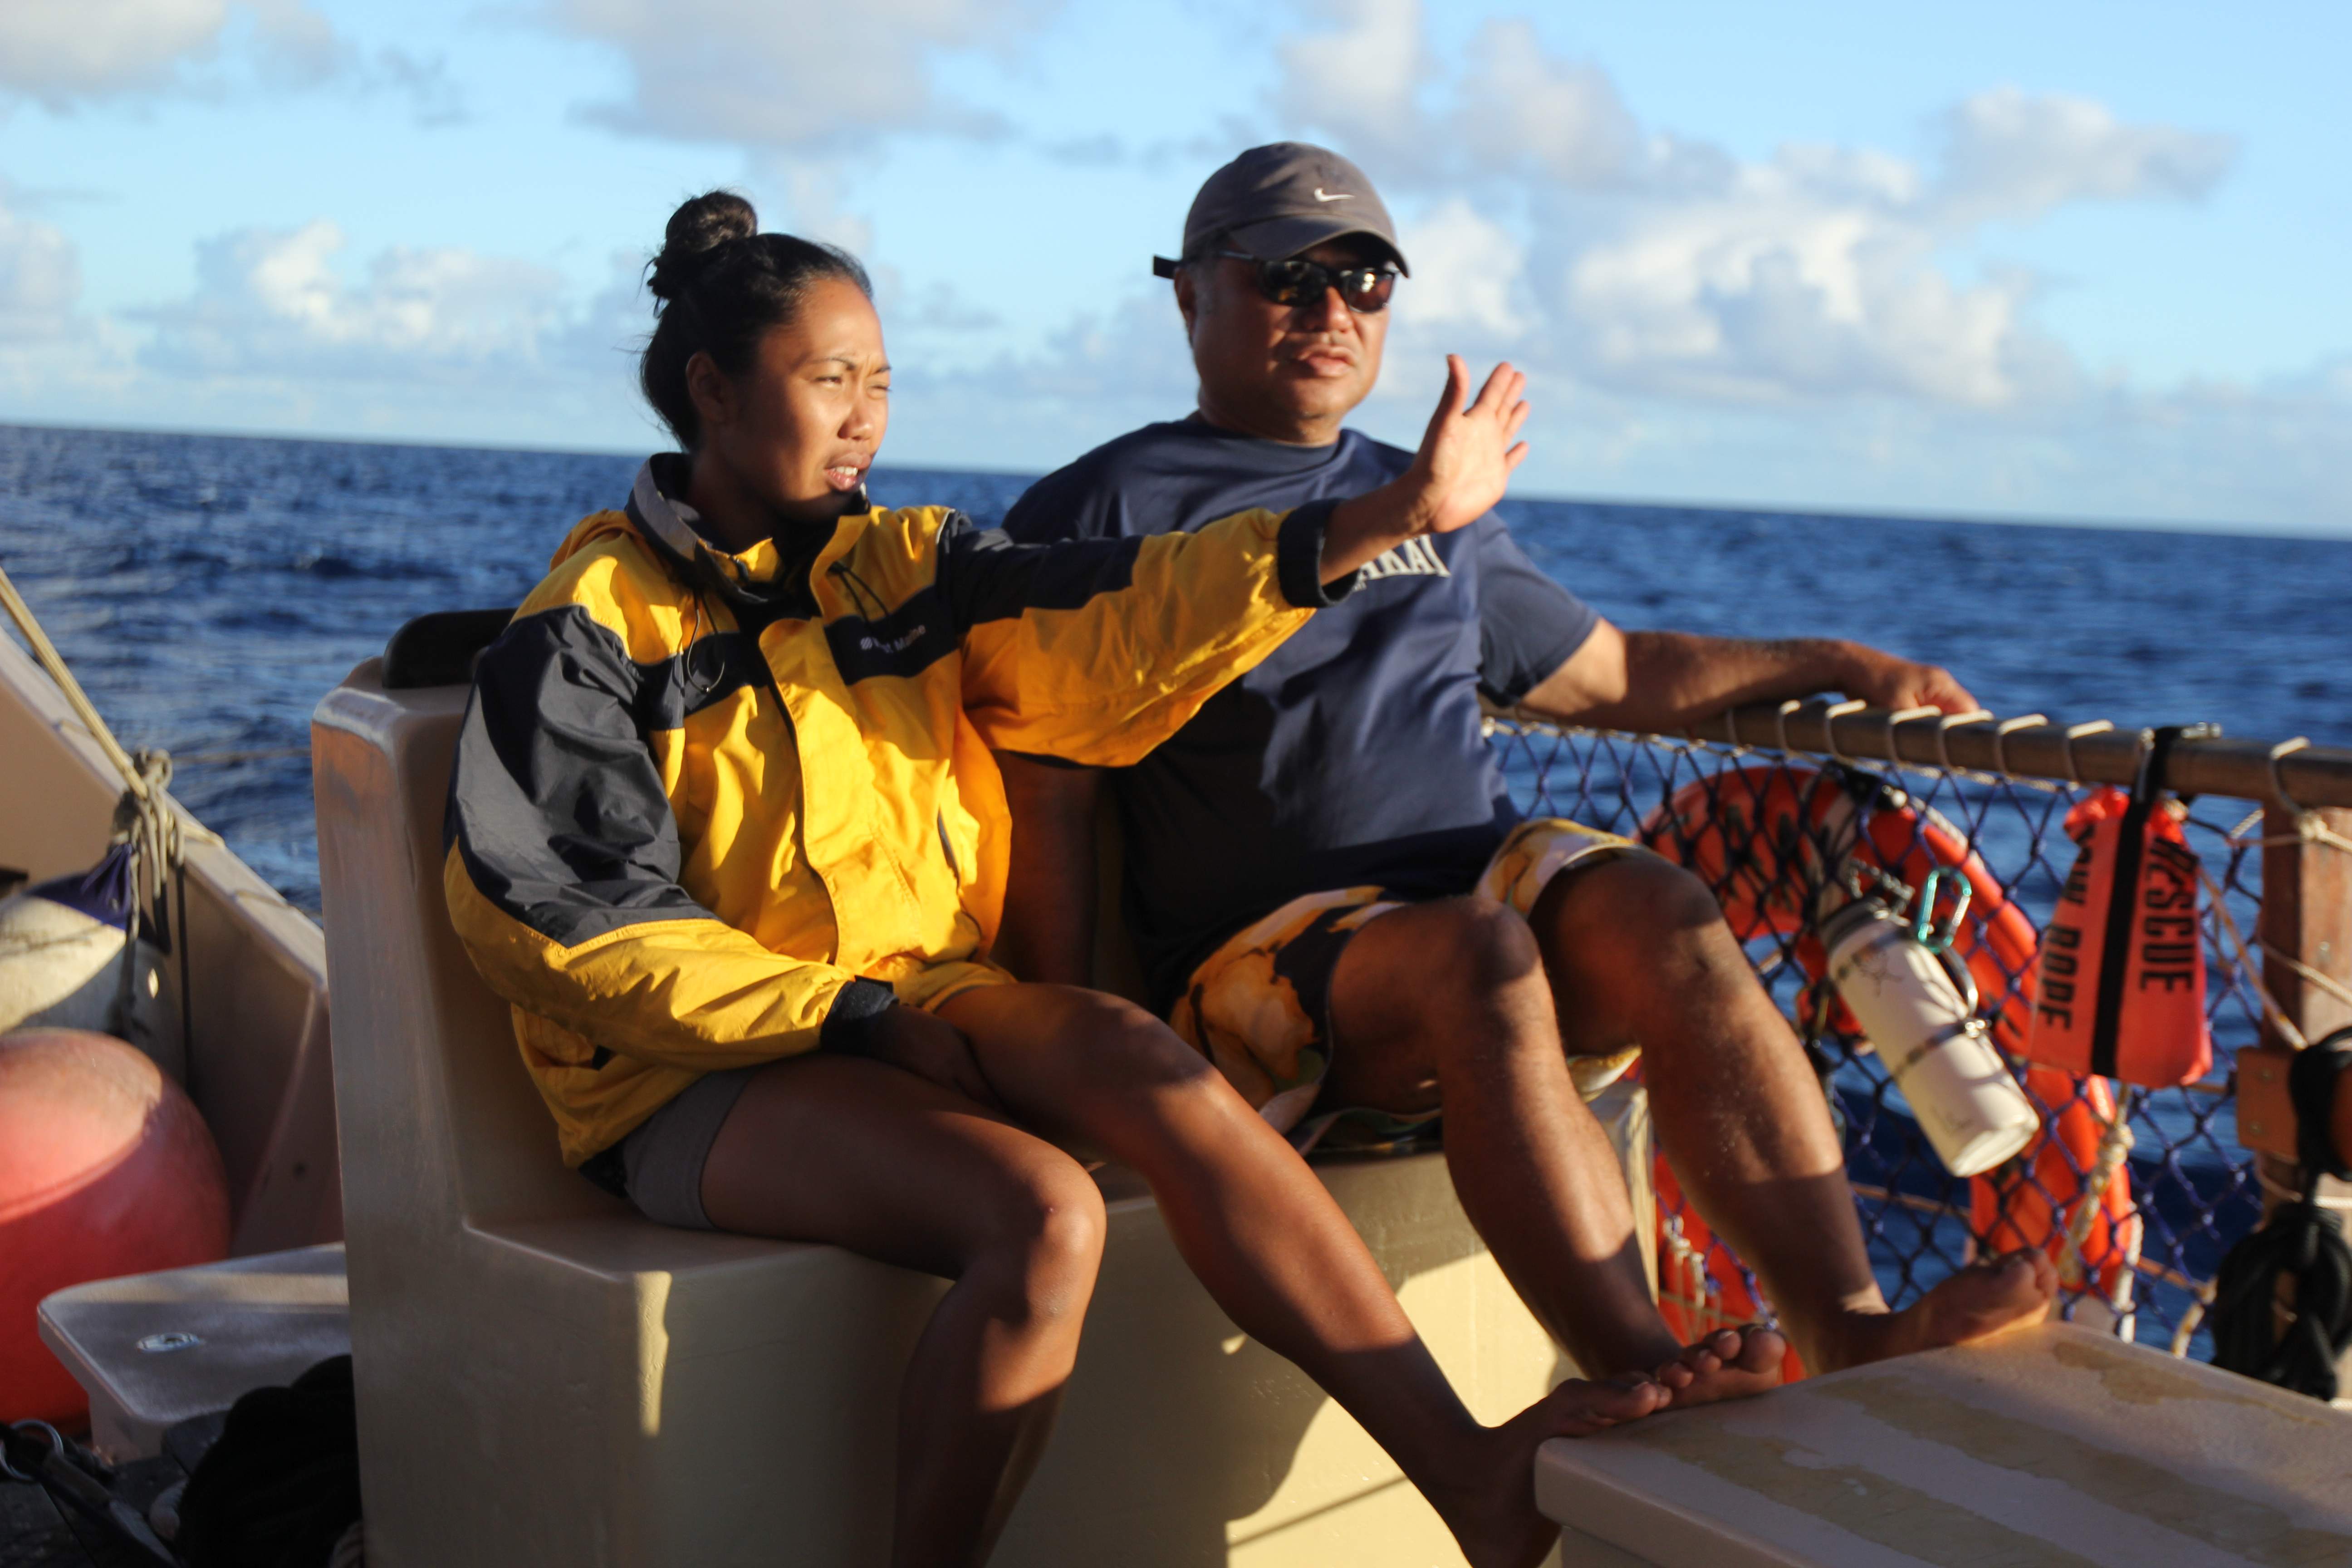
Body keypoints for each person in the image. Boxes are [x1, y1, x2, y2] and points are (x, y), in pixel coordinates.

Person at [444, 190, 1702, 1568]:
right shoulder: (585, 634)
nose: (865, 418)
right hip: (687, 1072)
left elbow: (1123, 611)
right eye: (827, 382)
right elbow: (566, 920)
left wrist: (1377, 520)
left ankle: (1465, 1474)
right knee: (1042, 1216)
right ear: (712, 391)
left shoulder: (907, 570)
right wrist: (857, 1023)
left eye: (880, 383)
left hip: (919, 996)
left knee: (1137, 1055)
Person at [993, 143, 2059, 1402]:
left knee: (1657, 903)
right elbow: (1046, 791)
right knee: (1479, 952)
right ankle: (1651, 1370)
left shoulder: (1432, 498)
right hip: (1262, 984)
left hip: (1461, 913)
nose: (1331, 310)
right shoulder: (1102, 511)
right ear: (1190, 298)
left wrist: (1848, 661)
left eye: (1365, 279)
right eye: (1286, 277)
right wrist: (1056, 1043)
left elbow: (1617, 676)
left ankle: (1848, 1325)